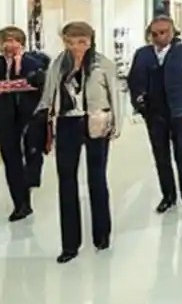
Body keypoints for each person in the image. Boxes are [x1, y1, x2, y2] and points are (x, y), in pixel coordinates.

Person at [36, 22, 122, 264]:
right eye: (70, 42)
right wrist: (44, 119)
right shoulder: (58, 64)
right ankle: (69, 244)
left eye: (82, 42)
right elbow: (48, 94)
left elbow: (115, 96)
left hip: (96, 122)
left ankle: (102, 235)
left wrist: (116, 125)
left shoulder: (103, 64)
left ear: (91, 41)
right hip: (67, 123)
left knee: (97, 178)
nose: (76, 47)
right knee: (66, 181)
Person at [129, 16, 182, 215]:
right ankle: (168, 196)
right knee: (161, 156)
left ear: (172, 32)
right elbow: (134, 81)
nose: (159, 37)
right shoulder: (143, 55)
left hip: (179, 112)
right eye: (154, 33)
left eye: (163, 32)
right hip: (154, 114)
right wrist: (139, 105)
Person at [0, 26, 47, 222]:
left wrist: (11, 79)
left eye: (13, 40)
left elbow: (37, 82)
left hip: (30, 116)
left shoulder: (33, 61)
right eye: (5, 40)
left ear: (21, 43)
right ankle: (20, 204)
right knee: (11, 159)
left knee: (32, 153)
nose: (9, 45)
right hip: (4, 116)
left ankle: (29, 185)